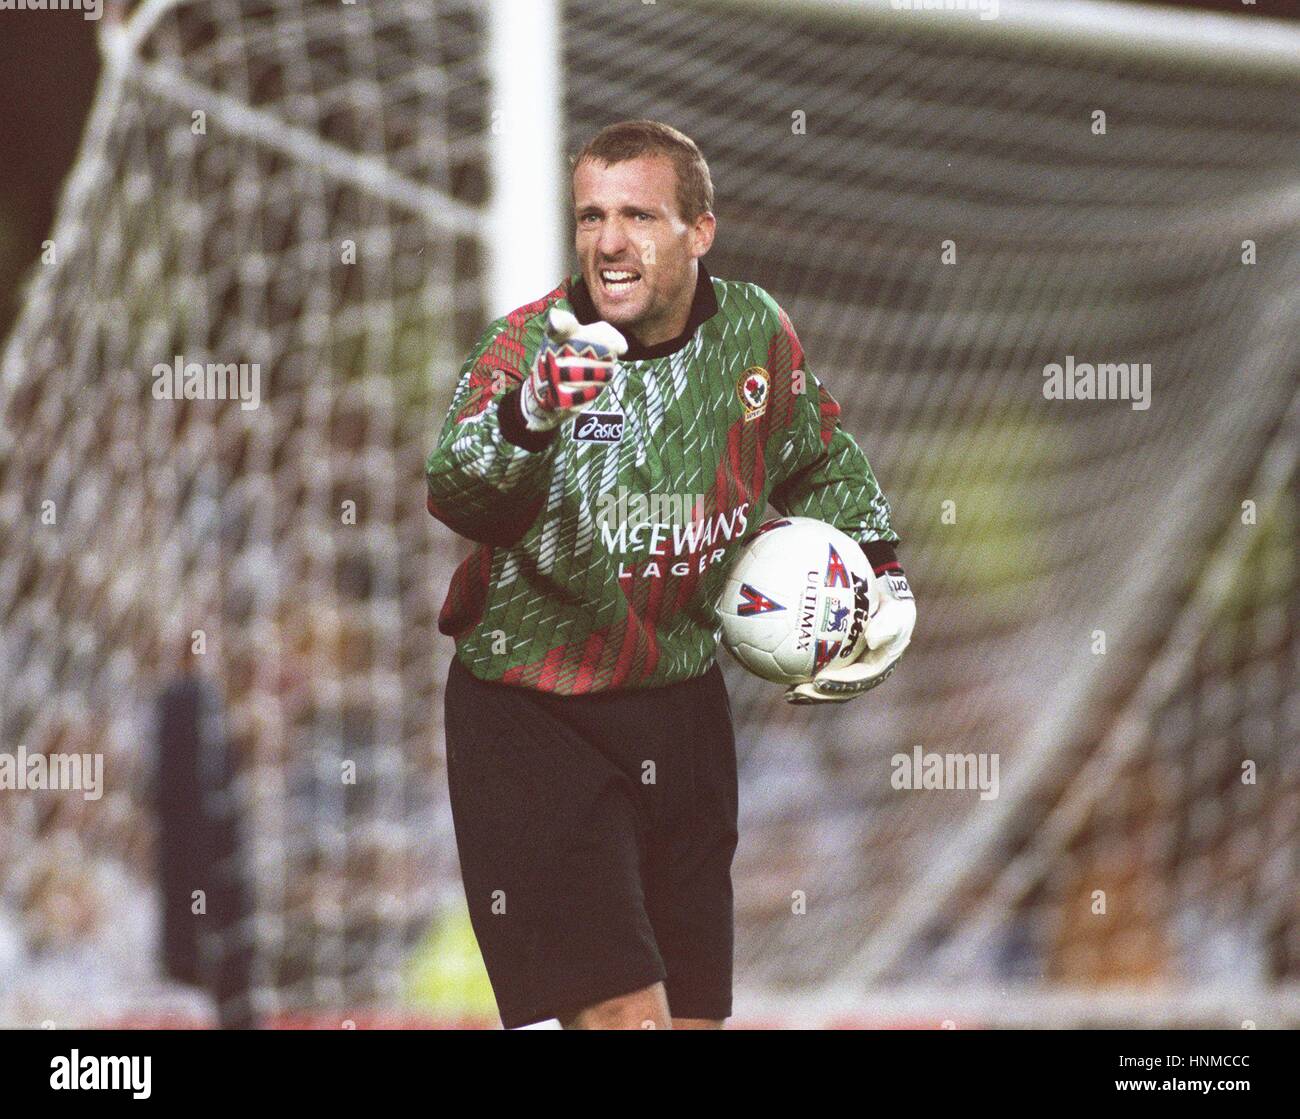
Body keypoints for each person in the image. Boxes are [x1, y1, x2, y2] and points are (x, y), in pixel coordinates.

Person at [425, 120, 914, 1029]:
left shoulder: (754, 334)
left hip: (683, 705)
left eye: (639, 215)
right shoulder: (531, 346)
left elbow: (818, 453)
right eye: (590, 217)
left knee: (692, 1020)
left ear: (701, 231)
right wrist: (530, 412)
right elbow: (456, 490)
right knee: (626, 1016)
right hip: (536, 713)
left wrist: (882, 567)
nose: (609, 241)